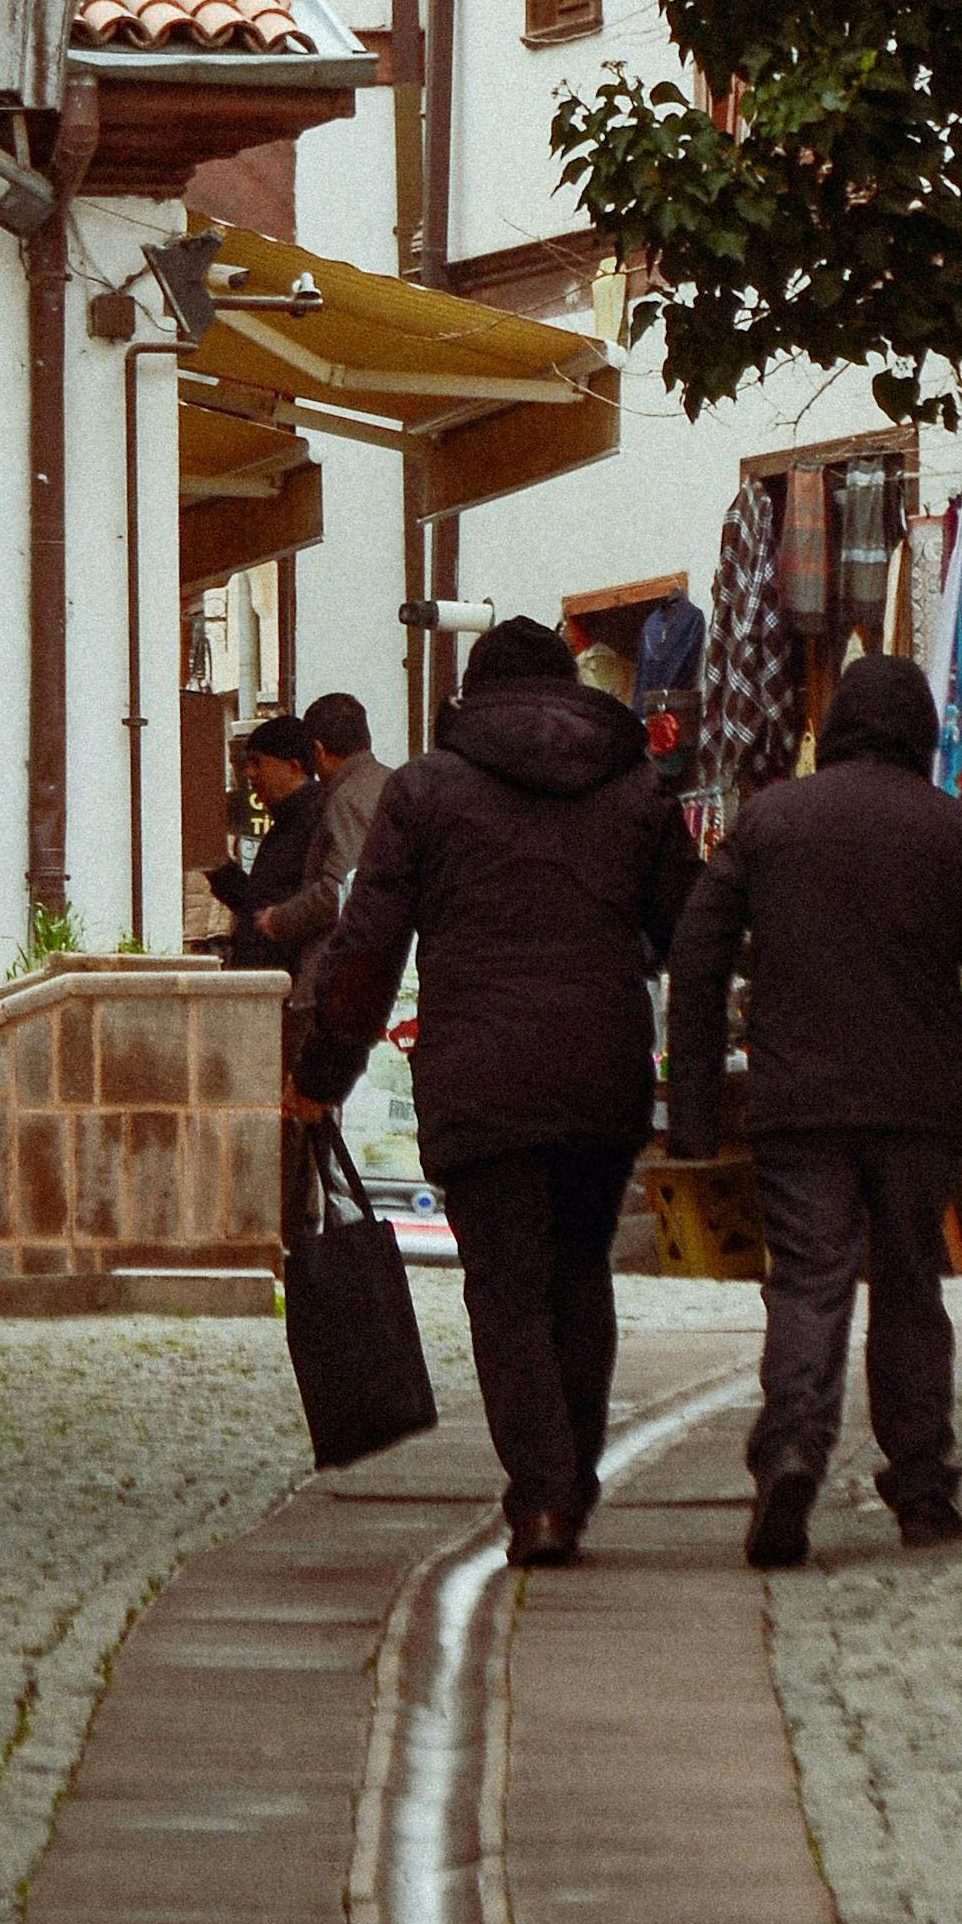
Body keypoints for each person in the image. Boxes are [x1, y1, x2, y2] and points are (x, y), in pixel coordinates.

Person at [287, 616, 698, 1566]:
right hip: (601, 1070)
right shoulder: (634, 785)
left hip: (478, 1074)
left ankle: (545, 1498)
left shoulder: (427, 790)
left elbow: (369, 948)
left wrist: (323, 1074)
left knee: (506, 1288)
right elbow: (688, 920)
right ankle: (571, 1481)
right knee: (580, 1275)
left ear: (475, 694)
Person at [665, 652, 962, 1571]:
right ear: (921, 732)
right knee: (912, 1284)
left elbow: (698, 958)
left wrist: (693, 1115)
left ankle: (792, 1447)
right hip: (920, 1103)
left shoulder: (771, 822)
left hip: (798, 1100)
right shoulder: (960, 836)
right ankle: (921, 1489)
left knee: (807, 1279)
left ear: (834, 732)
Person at [251, 689, 391, 1064]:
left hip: (335, 980)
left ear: (317, 749)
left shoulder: (345, 797)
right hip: (388, 972)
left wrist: (279, 919)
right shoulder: (394, 784)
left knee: (314, 1105)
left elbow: (338, 888)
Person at [205, 716, 323, 971]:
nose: (249, 773)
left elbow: (273, 910)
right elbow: (258, 906)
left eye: (257, 762)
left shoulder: (314, 821)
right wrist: (219, 868)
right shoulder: (288, 821)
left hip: (284, 980)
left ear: (293, 766)